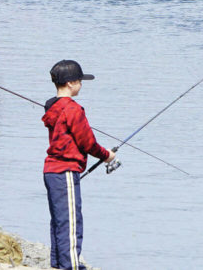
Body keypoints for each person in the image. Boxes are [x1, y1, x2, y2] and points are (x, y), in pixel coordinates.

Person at [42, 60, 116, 270]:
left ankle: (58, 264)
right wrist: (106, 156)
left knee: (59, 219)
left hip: (51, 171)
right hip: (64, 170)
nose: (81, 85)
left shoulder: (53, 106)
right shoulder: (73, 109)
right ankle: (70, 266)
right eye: (80, 81)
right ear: (71, 83)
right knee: (71, 222)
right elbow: (88, 142)